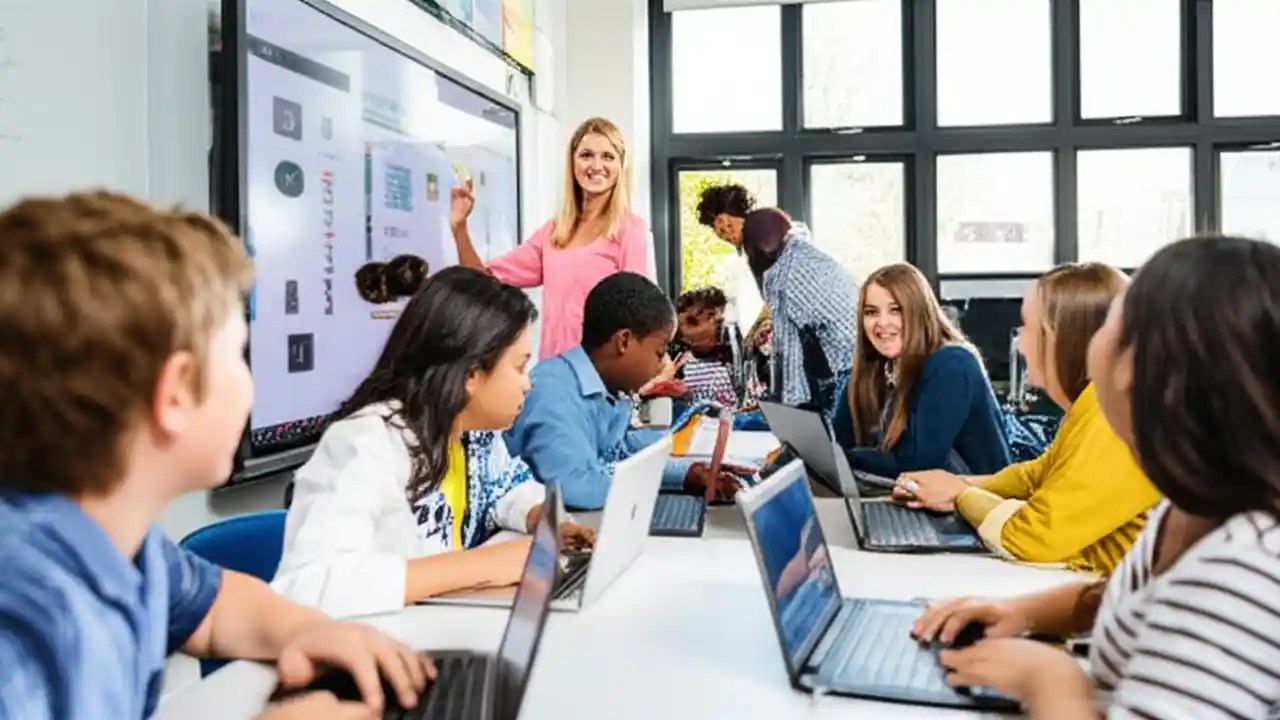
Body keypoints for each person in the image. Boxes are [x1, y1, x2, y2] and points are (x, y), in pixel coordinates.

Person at [0, 192, 430, 719]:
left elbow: (216, 608)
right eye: (238, 354)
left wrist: (308, 630)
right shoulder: (23, 623)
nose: (249, 383)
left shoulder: (124, 547)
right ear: (177, 393)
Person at [913, 236, 1280, 719]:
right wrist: (1022, 613)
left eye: (1110, 323)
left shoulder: (1239, 572)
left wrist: (1050, 681)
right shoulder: (1190, 508)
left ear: (1140, 368)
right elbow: (1124, 594)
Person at [273, 267, 594, 619]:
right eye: (519, 367)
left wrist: (540, 520)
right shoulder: (367, 444)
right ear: (471, 375)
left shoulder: (472, 432)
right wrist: (481, 566)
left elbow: (505, 489)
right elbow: (304, 587)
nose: (527, 384)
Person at [893, 262, 1160, 574]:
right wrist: (959, 483)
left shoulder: (1115, 417)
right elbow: (1039, 475)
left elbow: (1034, 537)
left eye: (1028, 328)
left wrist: (962, 496)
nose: (1020, 343)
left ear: (1059, 339)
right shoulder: (1098, 403)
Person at [505, 272, 748, 510]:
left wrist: (688, 473)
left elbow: (621, 455)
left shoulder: (607, 391)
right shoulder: (553, 392)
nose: (663, 364)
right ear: (623, 342)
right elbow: (577, 487)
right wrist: (654, 482)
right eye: (659, 352)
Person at [450, 117, 655, 359]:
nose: (596, 165)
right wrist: (460, 227)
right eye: (586, 155)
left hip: (600, 373)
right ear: (573, 162)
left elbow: (639, 320)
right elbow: (482, 281)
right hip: (552, 371)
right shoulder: (554, 232)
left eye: (608, 157)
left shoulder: (631, 231)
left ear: (620, 166)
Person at [832, 263, 1012, 478]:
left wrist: (843, 457)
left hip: (974, 496)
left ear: (918, 313)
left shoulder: (952, 363)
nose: (882, 323)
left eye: (896, 310)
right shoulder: (873, 370)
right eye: (871, 312)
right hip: (897, 490)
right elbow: (835, 443)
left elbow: (918, 464)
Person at [740, 207, 857, 416]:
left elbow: (791, 360)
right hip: (861, 370)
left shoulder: (783, 277)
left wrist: (790, 416)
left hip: (840, 386)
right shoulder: (811, 257)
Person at [695, 183, 769, 356]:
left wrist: (753, 333)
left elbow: (775, 299)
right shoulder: (743, 256)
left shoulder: (765, 246)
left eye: (721, 230)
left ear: (723, 221)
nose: (724, 235)